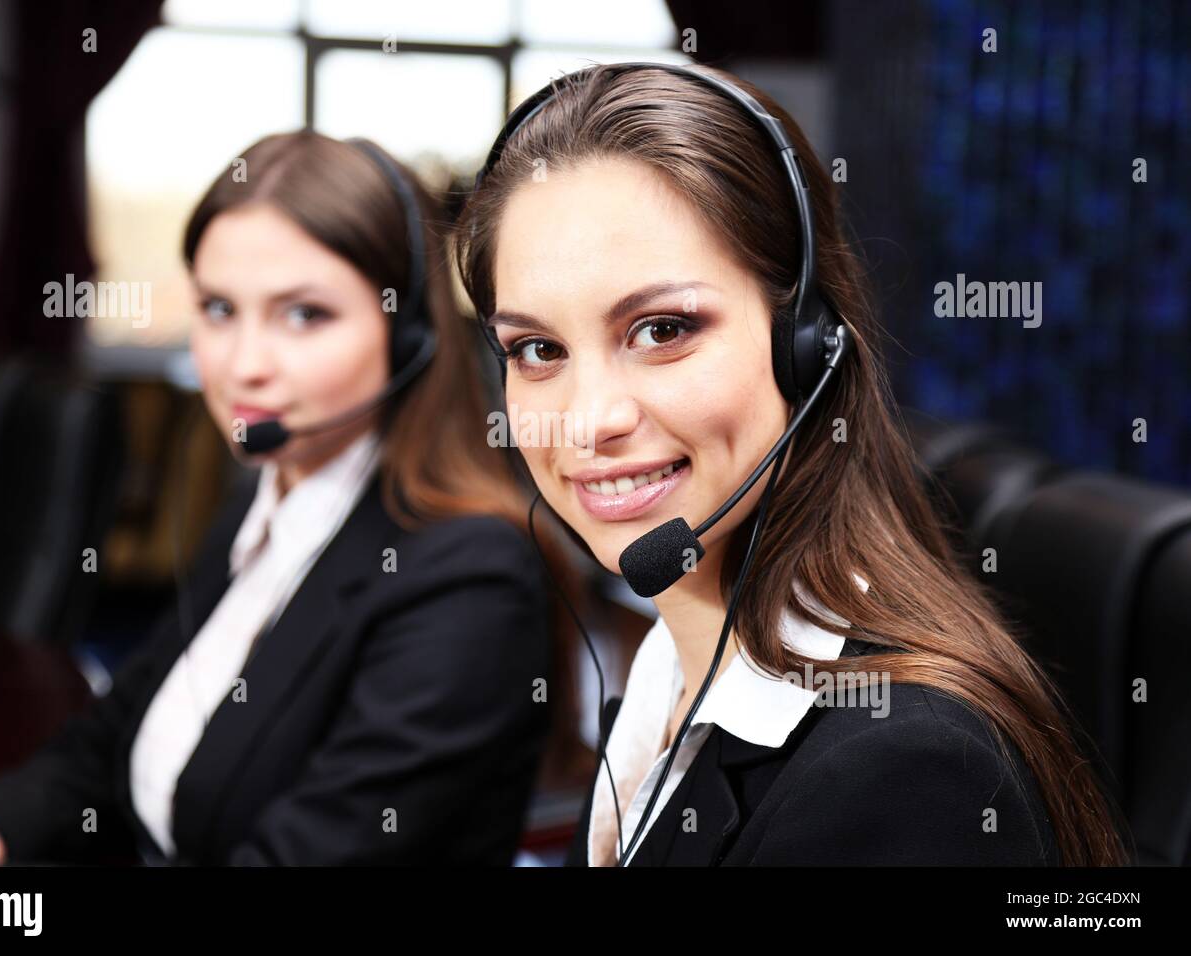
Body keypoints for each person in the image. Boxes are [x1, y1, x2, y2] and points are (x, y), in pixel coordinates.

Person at [455, 63, 1129, 866]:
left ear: (808, 345)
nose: (588, 422)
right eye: (538, 349)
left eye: (663, 330)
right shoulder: (677, 660)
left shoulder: (903, 777)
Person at [0, 131, 556, 866]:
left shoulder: (471, 580)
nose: (243, 366)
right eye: (217, 309)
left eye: (304, 314)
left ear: (409, 339)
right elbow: (113, 737)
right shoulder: (263, 500)